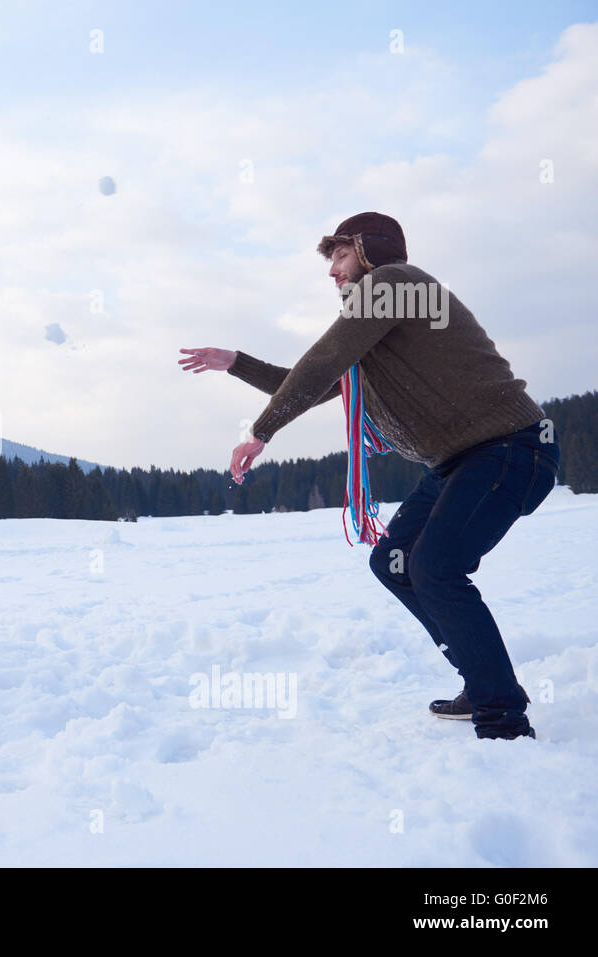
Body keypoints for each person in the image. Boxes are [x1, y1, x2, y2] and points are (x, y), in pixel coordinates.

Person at [179, 212, 557, 740]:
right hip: (460, 463)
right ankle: (484, 682)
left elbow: (323, 359)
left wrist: (260, 432)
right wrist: (236, 361)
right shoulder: (379, 323)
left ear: (370, 248)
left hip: (509, 448)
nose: (331, 271)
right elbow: (312, 378)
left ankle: (503, 721)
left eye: (339, 255)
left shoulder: (395, 284)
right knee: (396, 562)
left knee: (435, 568)